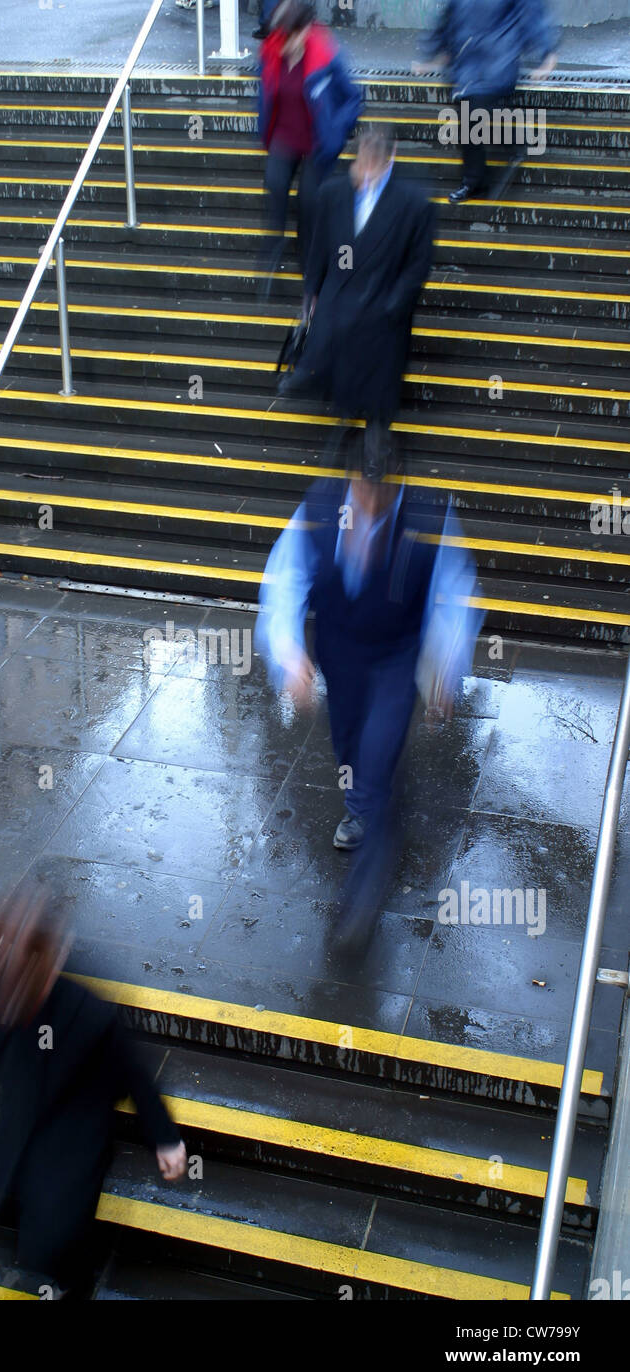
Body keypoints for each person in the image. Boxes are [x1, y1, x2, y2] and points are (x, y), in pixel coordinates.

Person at [256, 427, 482, 941]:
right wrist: (289, 654)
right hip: (341, 650)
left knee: (378, 756)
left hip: (397, 656)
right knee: (351, 741)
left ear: (397, 483)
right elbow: (286, 579)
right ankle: (362, 807)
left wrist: (446, 666)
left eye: (382, 491)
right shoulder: (320, 505)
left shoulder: (427, 514)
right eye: (362, 488)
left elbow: (454, 590)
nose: (371, 501)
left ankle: (361, 898)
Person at [0, 880, 187, 1297]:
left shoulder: (78, 1010)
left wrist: (165, 1138)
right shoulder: (11, 995)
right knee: (36, 1224)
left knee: (58, 1239)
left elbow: (132, 1072)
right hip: (29, 1133)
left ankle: (69, 1280)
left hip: (72, 1141)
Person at [278, 124, 435, 433]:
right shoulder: (334, 193)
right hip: (342, 292)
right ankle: (334, 397)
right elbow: (320, 246)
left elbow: (418, 264)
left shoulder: (414, 203)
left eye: (374, 161)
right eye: (364, 160)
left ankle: (376, 437)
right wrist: (312, 290)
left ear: (391, 157)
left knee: (378, 387)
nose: (366, 170)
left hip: (383, 300)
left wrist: (395, 304)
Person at [413, 0, 559, 204]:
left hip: (498, 60)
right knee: (467, 110)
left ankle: (482, 172)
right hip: (468, 65)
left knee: (473, 108)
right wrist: (434, 54)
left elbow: (532, 15)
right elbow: (447, 20)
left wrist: (547, 55)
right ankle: (477, 178)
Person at [258, 1, 362, 283]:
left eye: (291, 37)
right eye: (282, 36)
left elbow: (353, 98)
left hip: (317, 140)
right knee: (275, 183)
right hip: (284, 134)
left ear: (305, 31)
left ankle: (310, 265)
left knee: (309, 203)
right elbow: (265, 89)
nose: (285, 44)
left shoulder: (325, 55)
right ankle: (273, 249)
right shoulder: (272, 50)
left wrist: (337, 132)